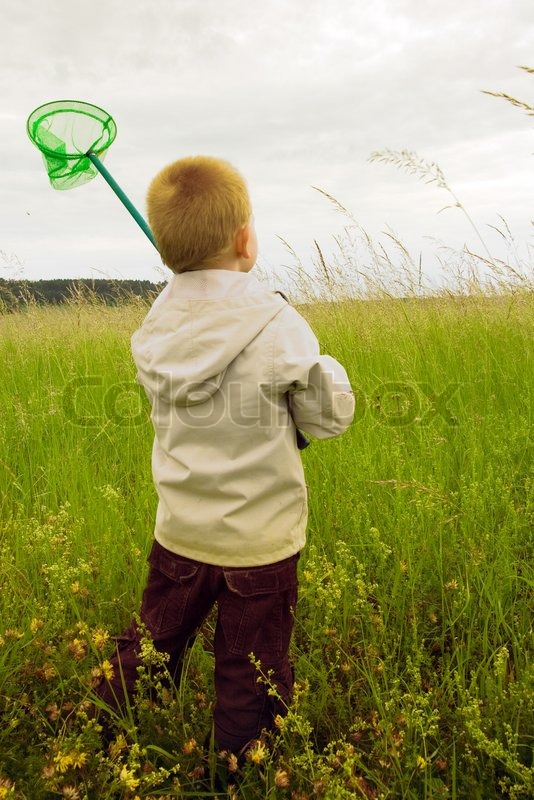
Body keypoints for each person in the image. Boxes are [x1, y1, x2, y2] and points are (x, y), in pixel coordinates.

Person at [95, 155, 354, 758]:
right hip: (260, 542)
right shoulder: (278, 322)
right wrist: (326, 370)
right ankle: (238, 768)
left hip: (180, 532)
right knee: (250, 666)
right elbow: (326, 419)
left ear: (166, 253)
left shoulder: (155, 327)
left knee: (154, 642)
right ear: (245, 240)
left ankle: (106, 731)